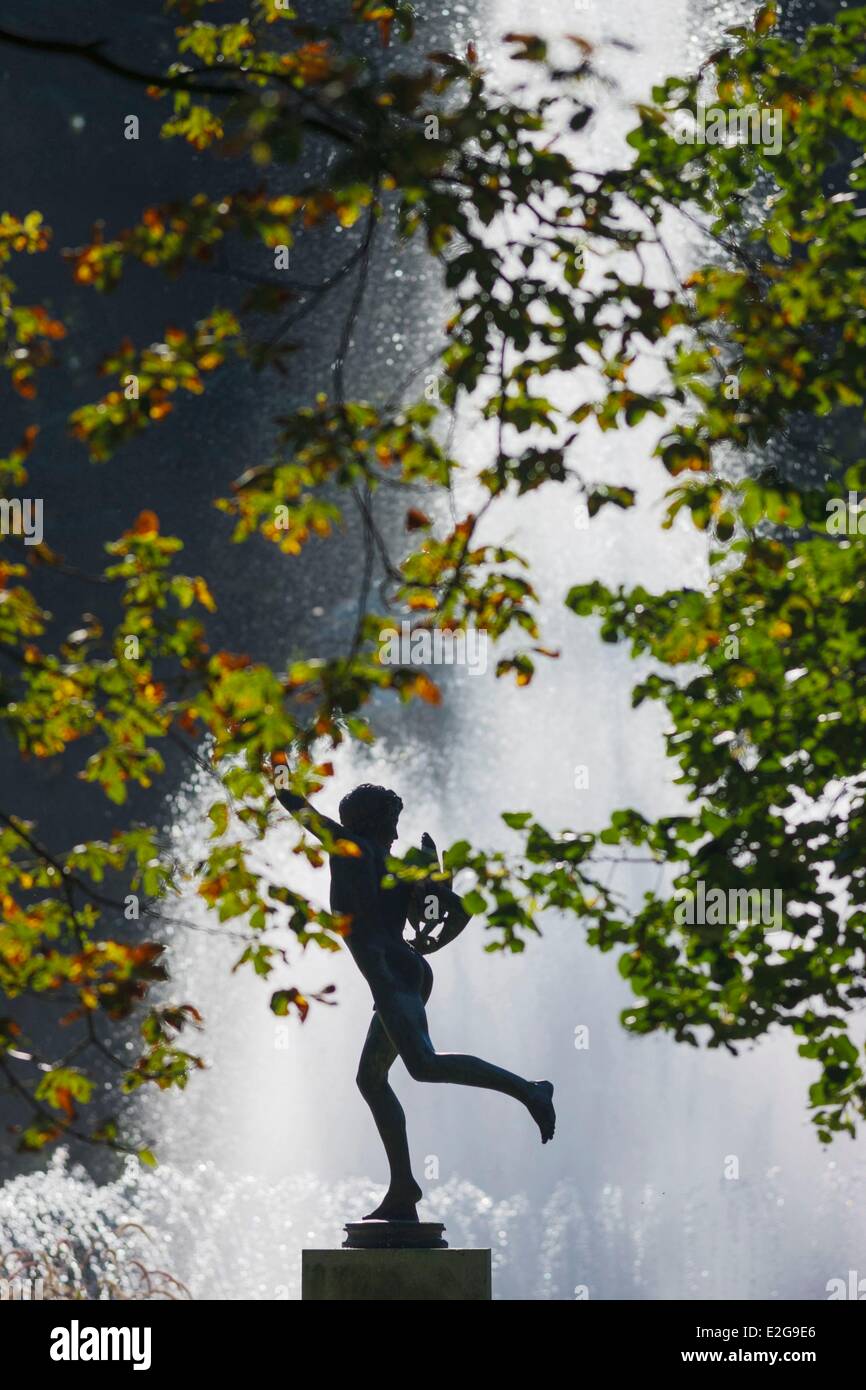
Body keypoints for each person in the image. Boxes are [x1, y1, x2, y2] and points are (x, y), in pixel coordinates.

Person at [269, 760, 556, 1222]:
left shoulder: (349, 849)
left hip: (395, 976)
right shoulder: (389, 863)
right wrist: (428, 943)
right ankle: (403, 1187)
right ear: (376, 822)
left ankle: (530, 1091)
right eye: (393, 824)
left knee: (424, 1065)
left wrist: (275, 764)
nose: (398, 836)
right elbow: (458, 913)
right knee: (371, 1079)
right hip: (404, 970)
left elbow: (297, 806)